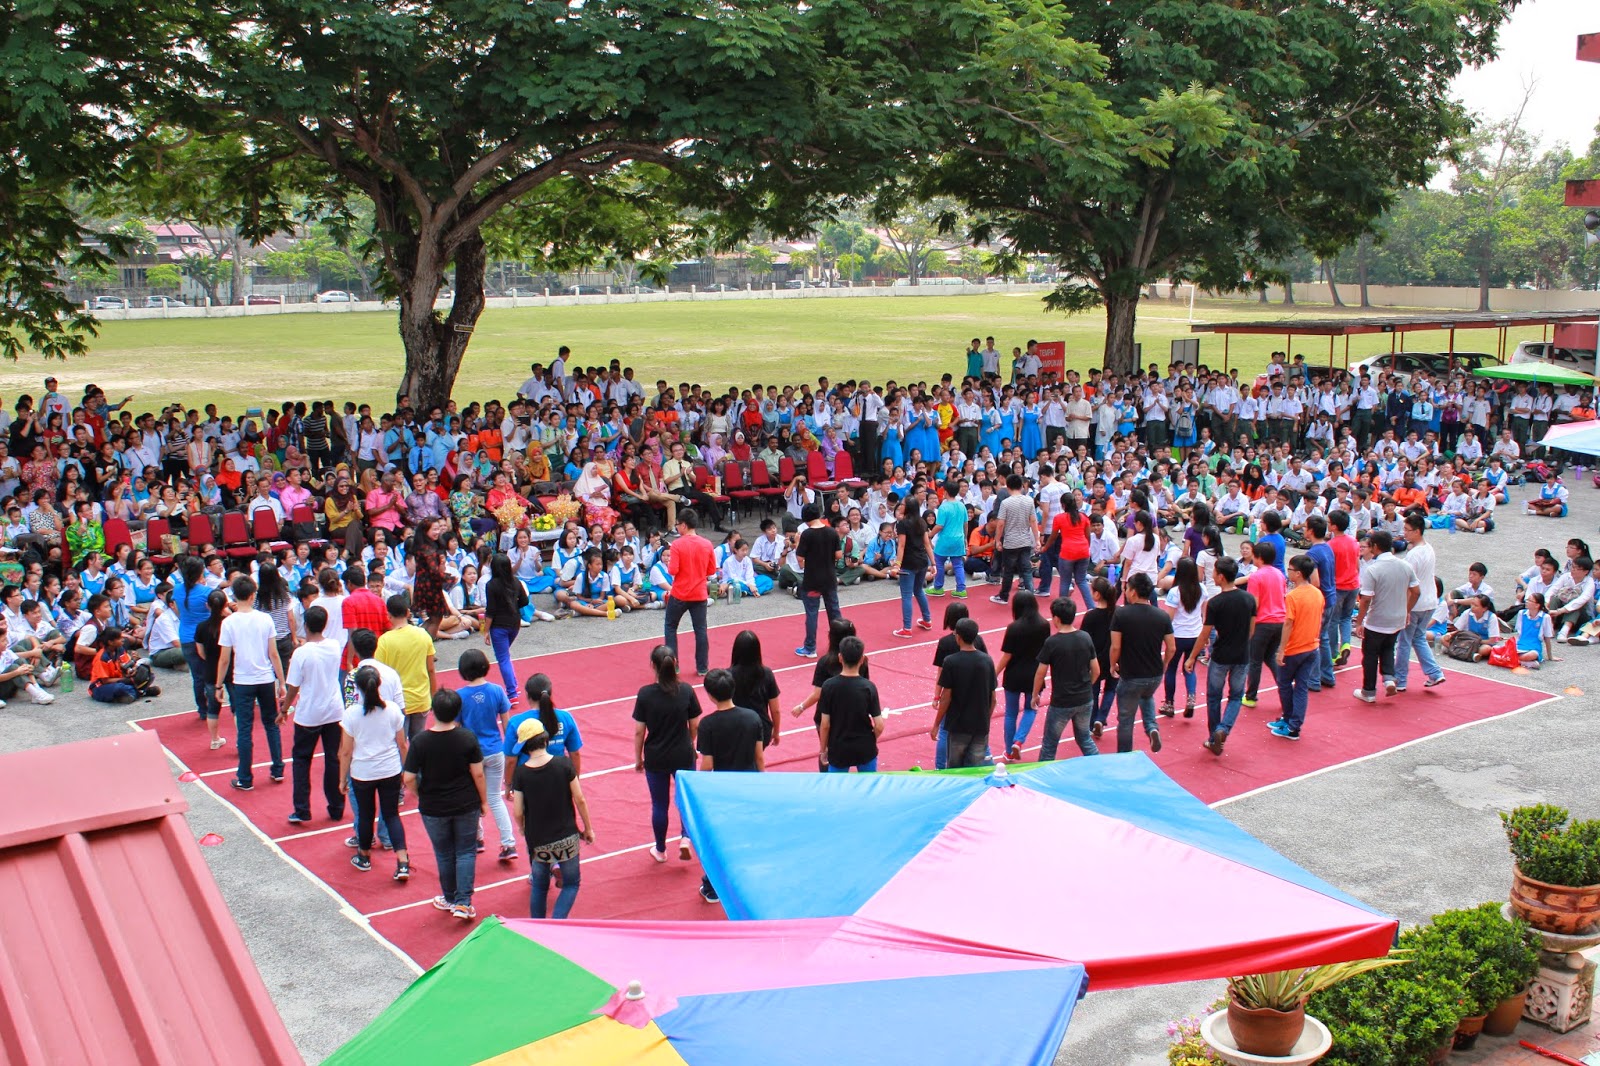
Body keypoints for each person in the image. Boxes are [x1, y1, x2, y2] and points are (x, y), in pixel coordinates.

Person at [404, 688, 488, 922]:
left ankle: (450, 897)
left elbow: (409, 777)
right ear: (457, 712)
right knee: (465, 851)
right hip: (465, 804)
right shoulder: (467, 737)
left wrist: (421, 795)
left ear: (433, 711)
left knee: (444, 853)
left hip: (434, 807)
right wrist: (483, 801)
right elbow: (478, 774)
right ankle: (463, 902)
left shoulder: (421, 742)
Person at [510, 716, 594, 920]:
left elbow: (518, 811)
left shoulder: (521, 774)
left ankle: (538, 927)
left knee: (539, 886)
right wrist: (588, 828)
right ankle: (558, 922)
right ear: (546, 740)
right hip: (567, 836)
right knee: (572, 883)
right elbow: (580, 798)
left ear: (525, 747)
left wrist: (522, 828)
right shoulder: (564, 764)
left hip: (538, 840)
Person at [694, 668, 766, 902]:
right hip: (749, 785)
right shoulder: (752, 717)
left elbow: (707, 765)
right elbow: (759, 757)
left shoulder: (708, 725)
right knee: (747, 834)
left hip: (723, 790)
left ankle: (712, 887)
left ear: (710, 695)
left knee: (718, 839)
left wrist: (699, 787)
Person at [337, 665, 411, 880]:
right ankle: (403, 862)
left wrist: (343, 778)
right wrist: (405, 771)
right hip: (390, 769)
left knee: (366, 814)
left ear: (358, 688)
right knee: (392, 815)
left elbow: (346, 751)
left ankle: (364, 856)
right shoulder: (393, 710)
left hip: (363, 772)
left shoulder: (351, 714)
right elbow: (402, 744)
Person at [215, 575, 286, 793]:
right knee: (271, 724)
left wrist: (218, 685)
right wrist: (281, 681)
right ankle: (277, 768)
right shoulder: (265, 619)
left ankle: (245, 777)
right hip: (265, 678)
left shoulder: (229, 622)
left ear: (234, 596)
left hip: (243, 681)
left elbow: (225, 658)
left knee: (244, 728)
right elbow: (273, 653)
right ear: (253, 595)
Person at [632, 644, 701, 863]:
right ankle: (685, 838)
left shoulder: (645, 694)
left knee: (659, 804)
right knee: (685, 800)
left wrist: (638, 758)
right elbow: (694, 724)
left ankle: (660, 849)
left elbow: (639, 732)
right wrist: (690, 744)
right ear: (676, 664)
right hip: (682, 752)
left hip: (656, 756)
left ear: (653, 665)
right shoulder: (687, 691)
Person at [282, 605, 345, 825]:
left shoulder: (301, 653)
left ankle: (302, 809)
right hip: (334, 711)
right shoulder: (334, 646)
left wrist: (284, 709)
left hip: (309, 713)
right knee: (333, 759)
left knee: (301, 760)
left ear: (305, 625)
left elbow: (293, 687)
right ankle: (336, 806)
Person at [455, 648, 517, 862]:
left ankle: (477, 839)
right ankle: (509, 843)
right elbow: (508, 723)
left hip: (471, 754)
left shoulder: (460, 696)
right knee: (494, 798)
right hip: (496, 750)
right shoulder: (497, 691)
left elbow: (455, 727)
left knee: (472, 797)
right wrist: (510, 750)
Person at [1190, 557, 1255, 756]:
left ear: (1220, 576)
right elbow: (1251, 630)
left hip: (1220, 655)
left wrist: (1192, 656)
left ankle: (1214, 735)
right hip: (1242, 654)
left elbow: (1205, 633)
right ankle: (1223, 729)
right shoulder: (1249, 599)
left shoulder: (1215, 603)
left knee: (1213, 697)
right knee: (1236, 695)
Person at [1109, 572, 1174, 755]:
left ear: (1134, 591)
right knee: (1146, 696)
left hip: (1131, 674)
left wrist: (1113, 664)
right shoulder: (1161, 615)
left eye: (1127, 588)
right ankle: (1152, 728)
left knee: (1126, 719)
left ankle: (1125, 755)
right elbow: (1171, 647)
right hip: (1153, 674)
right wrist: (1164, 664)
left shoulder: (1121, 614)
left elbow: (1115, 647)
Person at [1352, 530, 1419, 703]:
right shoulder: (1405, 565)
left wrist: (1360, 622)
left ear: (1375, 547)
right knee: (1389, 648)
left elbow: (1366, 599)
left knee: (1370, 655)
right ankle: (1389, 677)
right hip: (1397, 617)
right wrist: (1407, 610)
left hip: (1377, 619)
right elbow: (1416, 591)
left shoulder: (1373, 569)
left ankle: (1369, 691)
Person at [1032, 596, 1099, 760]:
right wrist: (1086, 686)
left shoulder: (1052, 643)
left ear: (1056, 618)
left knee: (1049, 745)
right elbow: (1096, 670)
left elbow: (1040, 672)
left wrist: (1035, 694)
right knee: (1084, 738)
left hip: (1062, 701)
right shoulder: (1085, 637)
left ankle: (1042, 778)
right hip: (1085, 699)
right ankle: (1100, 765)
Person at [931, 617, 997, 768]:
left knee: (955, 768)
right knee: (975, 768)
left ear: (958, 637)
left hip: (958, 725)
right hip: (980, 725)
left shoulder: (951, 662)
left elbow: (946, 697)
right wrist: (986, 719)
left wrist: (936, 724)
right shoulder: (987, 661)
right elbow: (993, 698)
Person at [1270, 555, 1323, 741]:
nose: (1288, 572)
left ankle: (1290, 721)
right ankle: (1293, 723)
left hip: (1295, 648)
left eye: (1290, 570)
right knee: (1301, 687)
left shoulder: (1293, 596)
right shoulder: (1317, 593)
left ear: (1298, 574)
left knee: (1284, 684)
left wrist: (1281, 649)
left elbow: (1288, 624)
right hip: (1312, 647)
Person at [817, 636, 883, 774]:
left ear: (840, 658)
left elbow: (825, 724)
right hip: (865, 748)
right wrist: (870, 740)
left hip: (839, 747)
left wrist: (823, 750)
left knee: (836, 789)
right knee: (868, 787)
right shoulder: (869, 687)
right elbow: (879, 725)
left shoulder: (828, 686)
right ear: (862, 659)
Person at [996, 589, 1049, 761]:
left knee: (1011, 713)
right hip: (1035, 675)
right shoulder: (1044, 625)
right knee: (1030, 709)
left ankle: (1008, 751)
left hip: (1013, 674)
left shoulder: (1014, 628)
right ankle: (1019, 741)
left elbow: (1007, 656)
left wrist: (994, 673)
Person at [663, 509, 717, 675]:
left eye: (678, 524)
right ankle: (702, 667)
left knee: (670, 627)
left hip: (680, 593)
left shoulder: (677, 545)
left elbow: (673, 570)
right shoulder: (707, 544)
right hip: (699, 593)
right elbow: (711, 570)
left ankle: (673, 665)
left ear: (684, 525)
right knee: (700, 630)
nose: (677, 527)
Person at [376, 593, 437, 739]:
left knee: (399, 746)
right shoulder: (423, 635)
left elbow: (379, 673)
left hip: (397, 701)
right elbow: (431, 669)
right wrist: (433, 695)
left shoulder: (384, 641)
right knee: (419, 742)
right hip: (421, 698)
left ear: (388, 615)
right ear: (408, 612)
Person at [1159, 558, 1206, 719]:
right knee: (1189, 667)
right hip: (1196, 634)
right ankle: (1191, 697)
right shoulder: (1202, 589)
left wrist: (1162, 636)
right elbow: (1204, 614)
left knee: (1171, 668)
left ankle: (1169, 703)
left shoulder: (1175, 592)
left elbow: (1169, 618)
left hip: (1178, 635)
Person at [795, 502, 843, 657]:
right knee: (834, 612)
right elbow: (838, 555)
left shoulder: (807, 535)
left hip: (812, 580)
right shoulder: (831, 532)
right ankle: (840, 645)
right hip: (829, 578)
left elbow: (800, 559)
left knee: (812, 613)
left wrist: (797, 544)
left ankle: (810, 647)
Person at [1243, 541, 1286, 708]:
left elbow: (1254, 605)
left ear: (1258, 557)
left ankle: (1251, 696)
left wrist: (1248, 626)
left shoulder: (1256, 576)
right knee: (1270, 656)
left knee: (1255, 660)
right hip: (1279, 621)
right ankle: (1284, 686)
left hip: (1263, 622)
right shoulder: (1279, 574)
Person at [483, 553, 529, 699]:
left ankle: (512, 692)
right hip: (514, 623)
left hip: (499, 626)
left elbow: (491, 610)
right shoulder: (516, 581)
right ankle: (513, 684)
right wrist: (513, 605)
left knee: (503, 658)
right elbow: (524, 601)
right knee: (505, 656)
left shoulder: (491, 585)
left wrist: (485, 631)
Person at [728, 629, 781, 749]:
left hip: (737, 727)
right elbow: (775, 709)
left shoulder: (728, 675)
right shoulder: (766, 674)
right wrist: (776, 732)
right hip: (761, 727)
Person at [990, 474, 1038, 604]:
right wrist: (1037, 540)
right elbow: (1033, 521)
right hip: (1025, 540)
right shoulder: (1029, 501)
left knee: (1008, 571)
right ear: (1022, 486)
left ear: (1008, 487)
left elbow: (1001, 523)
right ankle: (1030, 594)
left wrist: (997, 540)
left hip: (1010, 541)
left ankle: (1004, 596)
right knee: (1026, 569)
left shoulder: (1006, 503)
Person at [891, 502, 933, 638]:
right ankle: (927, 620)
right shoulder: (921, 522)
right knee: (919, 590)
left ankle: (907, 628)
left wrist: (897, 564)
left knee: (907, 595)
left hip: (909, 562)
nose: (901, 505)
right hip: (922, 561)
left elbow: (901, 546)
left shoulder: (902, 524)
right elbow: (927, 544)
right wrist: (933, 562)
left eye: (903, 504)